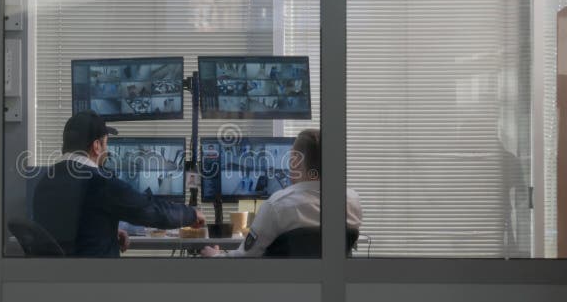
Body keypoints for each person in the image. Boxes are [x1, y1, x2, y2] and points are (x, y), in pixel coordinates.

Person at [33, 110, 205, 257]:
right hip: (96, 283)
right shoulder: (100, 182)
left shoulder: (46, 180)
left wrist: (107, 232)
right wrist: (191, 214)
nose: (107, 151)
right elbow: (150, 210)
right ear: (97, 146)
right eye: (106, 144)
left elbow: (67, 229)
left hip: (58, 280)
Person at [201, 129, 362, 257]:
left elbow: (245, 258)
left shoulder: (277, 206)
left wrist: (215, 256)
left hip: (281, 291)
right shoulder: (352, 201)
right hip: (330, 291)